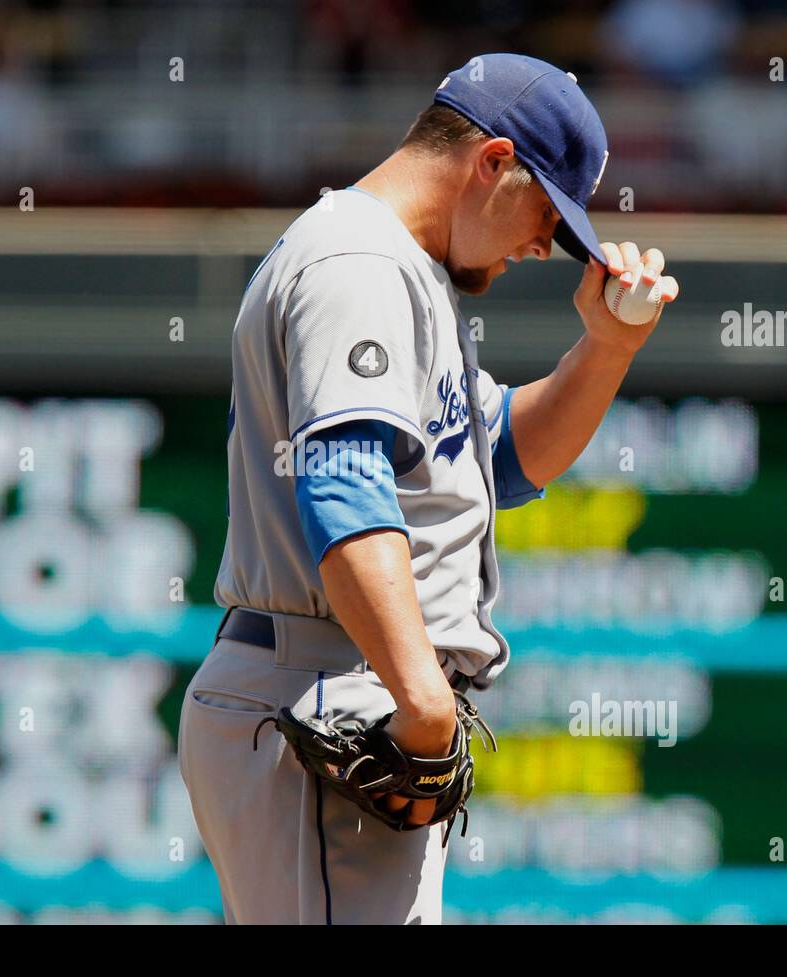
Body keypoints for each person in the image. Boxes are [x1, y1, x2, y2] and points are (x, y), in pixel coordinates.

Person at [177, 53, 680, 924]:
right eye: (545, 214)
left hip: (336, 684)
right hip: (323, 688)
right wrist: (423, 702)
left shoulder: (398, 271)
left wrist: (605, 349)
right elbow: (341, 487)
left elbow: (508, 461)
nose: (541, 246)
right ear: (491, 162)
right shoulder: (358, 266)